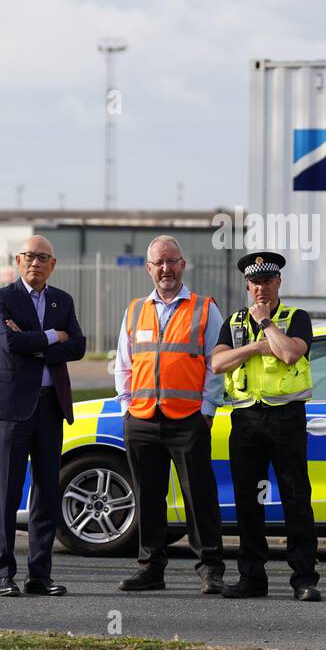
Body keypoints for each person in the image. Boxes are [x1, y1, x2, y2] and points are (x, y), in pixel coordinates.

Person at [115, 235, 226, 594]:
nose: (166, 268)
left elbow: (216, 364)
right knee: (148, 497)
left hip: (188, 419)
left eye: (172, 261)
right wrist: (126, 408)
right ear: (148, 268)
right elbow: (123, 365)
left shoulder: (204, 308)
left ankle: (210, 568)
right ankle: (151, 568)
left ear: (183, 265)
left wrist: (206, 411)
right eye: (158, 263)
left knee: (200, 497)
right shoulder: (134, 311)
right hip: (143, 418)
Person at [211, 251, 320, 601]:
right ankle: (252, 578)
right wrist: (258, 347)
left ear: (278, 283)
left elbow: (290, 354)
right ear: (248, 284)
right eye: (255, 282)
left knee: (295, 499)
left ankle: (304, 579)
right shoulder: (234, 321)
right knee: (247, 501)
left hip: (286, 418)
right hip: (245, 420)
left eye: (268, 281)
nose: (261, 288)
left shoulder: (295, 317)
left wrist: (267, 326)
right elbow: (217, 363)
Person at [0, 236, 86, 597]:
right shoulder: (1, 298)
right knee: (5, 492)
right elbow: (8, 344)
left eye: (43, 258)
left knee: (45, 492)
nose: (36, 263)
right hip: (10, 408)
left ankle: (39, 574)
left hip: (49, 406)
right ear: (18, 259)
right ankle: (3, 573)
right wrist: (52, 338)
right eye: (29, 257)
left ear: (52, 264)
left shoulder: (62, 300)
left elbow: (79, 345)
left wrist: (36, 342)